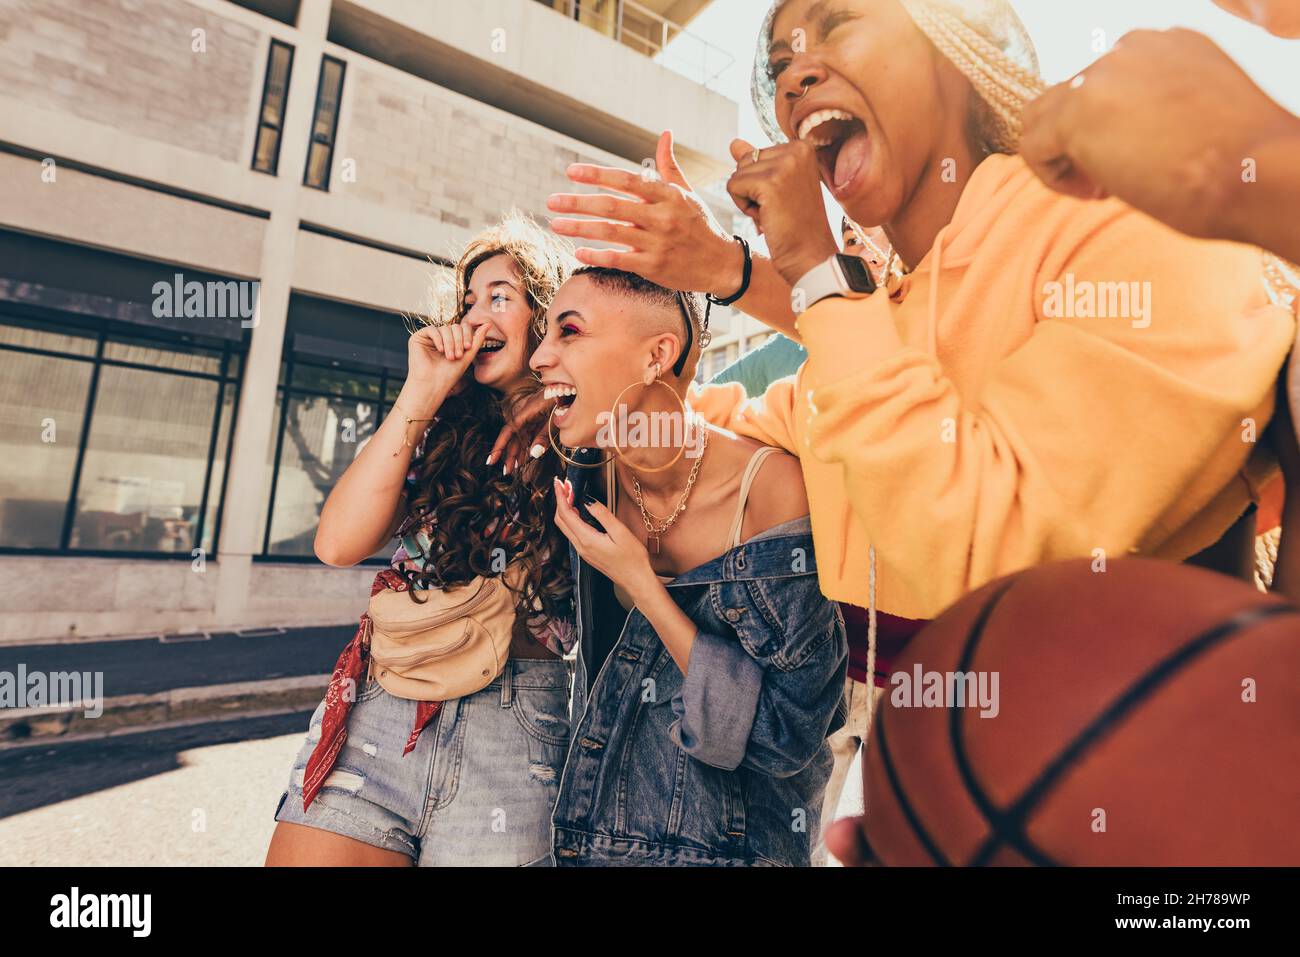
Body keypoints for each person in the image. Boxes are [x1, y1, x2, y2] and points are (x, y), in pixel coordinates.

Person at [543, 0, 1297, 864]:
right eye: (780, 56)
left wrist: (810, 272)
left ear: (953, 40)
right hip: (925, 816)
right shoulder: (870, 328)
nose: (796, 71)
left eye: (836, 25)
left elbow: (982, 543)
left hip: (1159, 827)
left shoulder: (1138, 222)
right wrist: (604, 358)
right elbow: (709, 439)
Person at [265, 213, 577, 867]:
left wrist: (561, 412)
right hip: (382, 700)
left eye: (501, 296)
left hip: (515, 721)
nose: (477, 314)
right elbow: (338, 543)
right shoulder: (437, 427)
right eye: (469, 301)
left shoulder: (592, 428)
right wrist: (422, 389)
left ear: (545, 315)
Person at [530, 267, 847, 866]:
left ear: (658, 355)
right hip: (593, 843)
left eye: (568, 332)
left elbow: (787, 734)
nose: (541, 356)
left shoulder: (771, 488)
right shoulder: (586, 476)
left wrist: (643, 588)